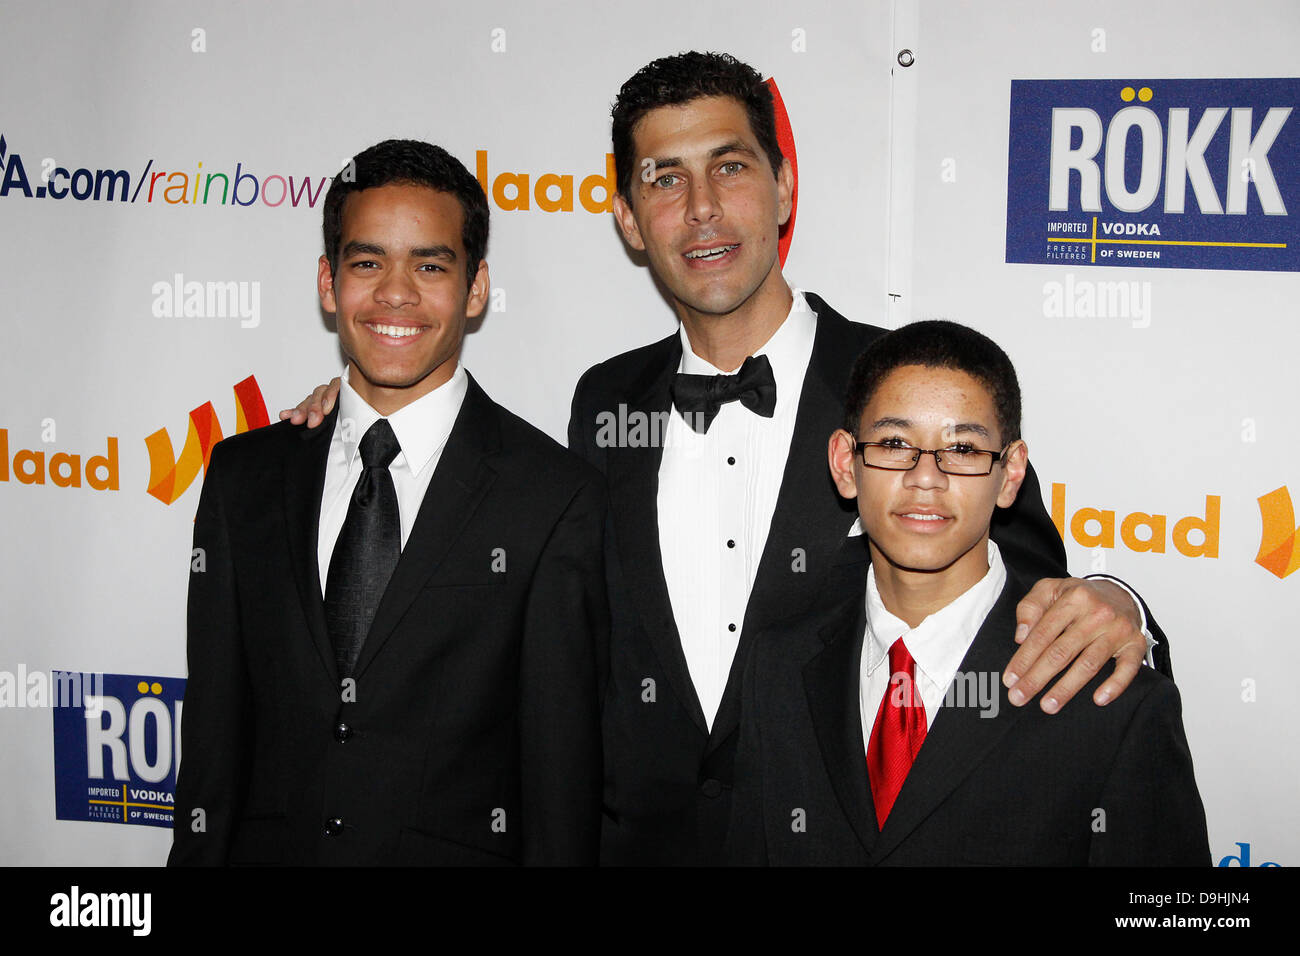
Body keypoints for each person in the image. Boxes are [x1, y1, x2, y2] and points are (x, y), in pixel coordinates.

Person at [285, 53, 1163, 866]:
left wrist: (1122, 602)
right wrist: (362, 417)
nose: (700, 206)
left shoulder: (906, 387)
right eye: (664, 178)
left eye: (730, 167)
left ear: (784, 188)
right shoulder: (605, 401)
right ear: (628, 220)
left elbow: (1041, 590)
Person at [170, 139, 607, 866]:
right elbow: (212, 747)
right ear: (328, 281)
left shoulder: (553, 498)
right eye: (367, 262)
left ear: (475, 288)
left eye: (430, 266)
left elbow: (560, 784)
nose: (395, 293)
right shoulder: (242, 477)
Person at [726, 320, 1209, 865]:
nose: (925, 477)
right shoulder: (778, 668)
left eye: (962, 448)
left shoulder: (1112, 703)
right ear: (846, 464)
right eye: (894, 443)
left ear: (1010, 474)